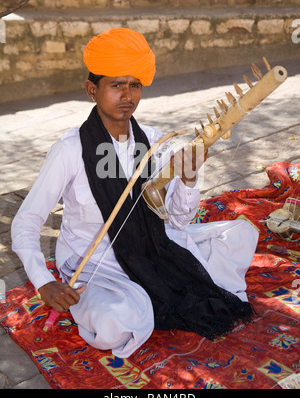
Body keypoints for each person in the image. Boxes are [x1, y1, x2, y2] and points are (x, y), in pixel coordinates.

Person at [11, 28, 259, 358]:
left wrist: (187, 178)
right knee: (119, 318)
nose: (127, 95)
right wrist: (44, 281)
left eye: (135, 85)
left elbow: (180, 221)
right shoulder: (70, 150)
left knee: (240, 234)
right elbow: (26, 222)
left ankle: (149, 292)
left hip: (153, 249)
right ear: (92, 90)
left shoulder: (156, 142)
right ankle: (138, 297)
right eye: (116, 84)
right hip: (96, 265)